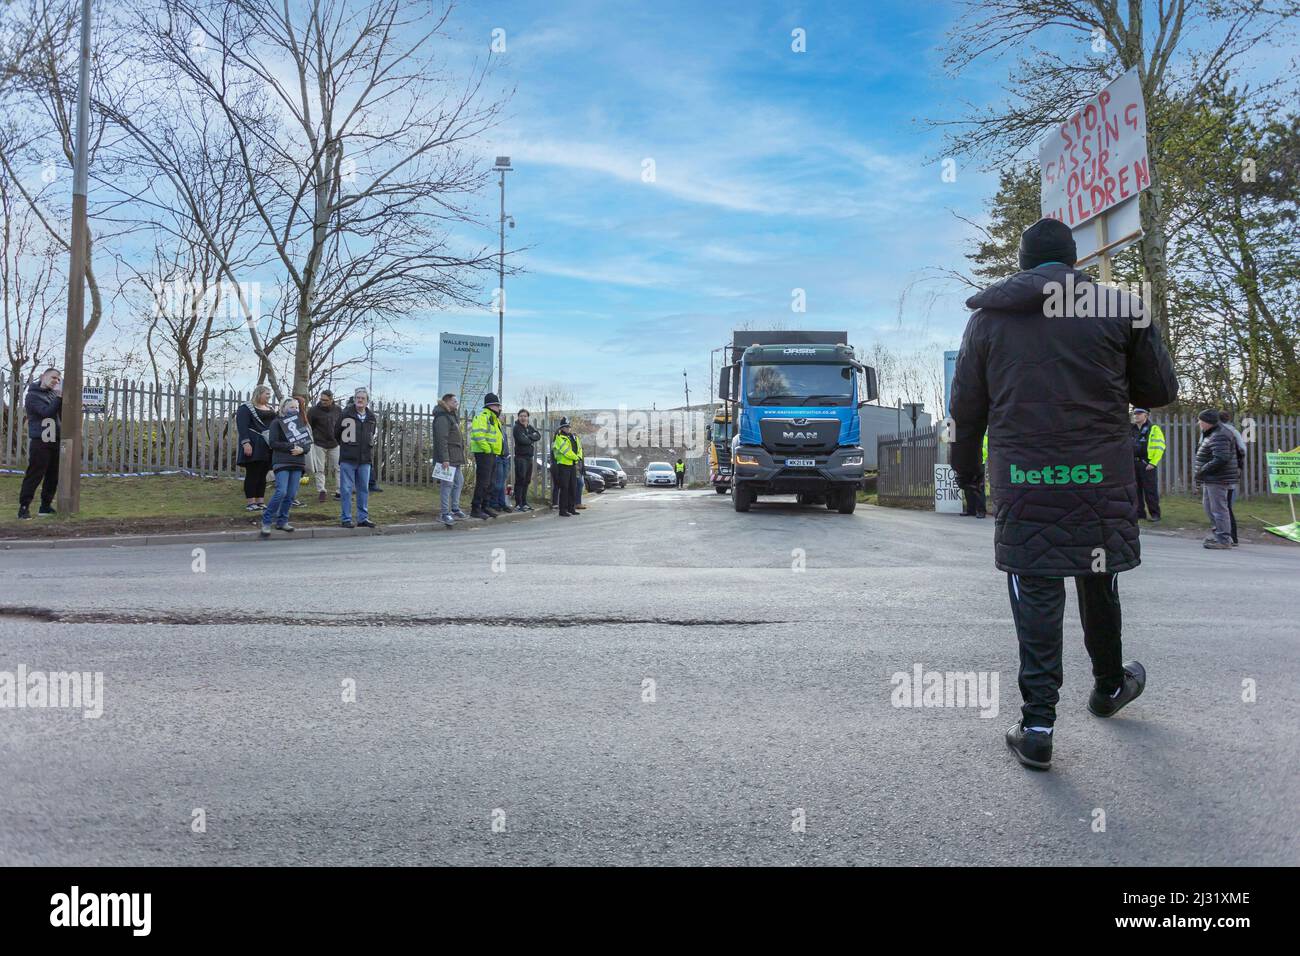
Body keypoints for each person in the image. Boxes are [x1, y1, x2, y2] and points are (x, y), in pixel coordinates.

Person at [950, 217, 1177, 771]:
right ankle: (1108, 686)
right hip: (1100, 476)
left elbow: (966, 410)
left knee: (1038, 587)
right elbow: (1158, 391)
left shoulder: (988, 321)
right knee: (1099, 578)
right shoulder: (1122, 308)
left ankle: (1038, 725)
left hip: (1026, 477)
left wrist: (967, 475)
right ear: (1074, 259)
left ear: (1023, 262)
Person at [260, 397, 312, 538]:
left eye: (296, 408)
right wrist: (292, 446)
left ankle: (282, 521)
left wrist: (302, 450)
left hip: (297, 463)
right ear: (283, 408)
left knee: (291, 494)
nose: (294, 410)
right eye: (291, 407)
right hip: (282, 462)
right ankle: (266, 520)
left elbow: (307, 444)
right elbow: (273, 442)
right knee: (281, 492)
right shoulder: (277, 423)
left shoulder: (301, 424)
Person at [17, 367, 62, 519]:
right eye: (53, 377)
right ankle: (24, 507)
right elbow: (46, 413)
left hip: (55, 440)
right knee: (35, 475)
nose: (56, 381)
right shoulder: (32, 396)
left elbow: (60, 415)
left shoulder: (54, 395)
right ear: (43, 376)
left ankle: (45, 506)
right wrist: (59, 398)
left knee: (53, 476)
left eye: (58, 379)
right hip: (40, 441)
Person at [1196, 408, 1239, 550]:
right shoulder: (1213, 433)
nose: (1199, 423)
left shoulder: (1220, 434)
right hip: (1211, 477)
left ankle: (1224, 539)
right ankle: (1219, 535)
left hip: (1218, 478)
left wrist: (1203, 469)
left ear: (1208, 422)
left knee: (1219, 509)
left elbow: (1221, 458)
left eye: (1201, 421)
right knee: (1209, 507)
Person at [336, 387, 378, 529]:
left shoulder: (371, 417)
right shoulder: (346, 414)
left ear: (367, 401)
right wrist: (347, 447)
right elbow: (337, 433)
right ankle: (346, 518)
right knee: (346, 489)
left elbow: (372, 435)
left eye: (362, 398)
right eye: (357, 398)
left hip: (365, 459)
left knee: (363, 489)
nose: (360, 400)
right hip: (348, 458)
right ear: (354, 399)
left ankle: (362, 518)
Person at [236, 385, 276, 513]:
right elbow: (242, 427)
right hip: (254, 444)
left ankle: (260, 501)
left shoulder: (270, 409)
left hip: (267, 445)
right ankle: (251, 502)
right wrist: (246, 443)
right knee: (253, 473)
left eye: (269, 394)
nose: (269, 396)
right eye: (266, 394)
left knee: (263, 474)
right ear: (259, 394)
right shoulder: (246, 408)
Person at [433, 393, 467, 528]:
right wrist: (444, 459)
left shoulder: (451, 416)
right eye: (454, 401)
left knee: (459, 481)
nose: (456, 404)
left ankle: (455, 508)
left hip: (456, 457)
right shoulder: (442, 417)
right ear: (446, 402)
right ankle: (444, 512)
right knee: (447, 485)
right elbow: (442, 439)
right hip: (448, 458)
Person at [468, 393, 504, 519]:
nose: (499, 408)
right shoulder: (482, 416)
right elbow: (478, 435)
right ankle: (475, 508)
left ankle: (485, 506)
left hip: (492, 453)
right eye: (497, 406)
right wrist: (488, 449)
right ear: (491, 406)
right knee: (483, 482)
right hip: (484, 453)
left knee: (491, 482)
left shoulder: (494, 418)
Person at [1218, 410, 1247, 546]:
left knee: (1222, 506)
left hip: (1222, 473)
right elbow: (1242, 450)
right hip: (1232, 472)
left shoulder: (1219, 432)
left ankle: (1227, 536)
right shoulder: (1234, 431)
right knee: (1227, 504)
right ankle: (1231, 536)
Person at [1131, 408, 1165, 523]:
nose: (1136, 416)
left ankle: (1155, 514)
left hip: (1147, 464)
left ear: (1146, 415)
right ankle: (1140, 514)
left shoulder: (1153, 429)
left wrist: (1153, 463)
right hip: (1133, 463)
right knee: (1136, 490)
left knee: (1150, 490)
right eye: (1135, 413)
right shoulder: (1131, 429)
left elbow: (1160, 447)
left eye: (1139, 414)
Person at [308, 390, 342, 503]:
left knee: (339, 467)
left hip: (335, 443)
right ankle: (321, 490)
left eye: (326, 400)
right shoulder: (313, 411)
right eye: (321, 399)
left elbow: (341, 425)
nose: (323, 402)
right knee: (319, 468)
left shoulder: (338, 410)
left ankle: (340, 491)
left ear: (331, 399)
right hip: (319, 443)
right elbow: (309, 426)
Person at [552, 417, 583, 517]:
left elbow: (579, 448)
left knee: (572, 487)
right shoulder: (559, 438)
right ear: (561, 428)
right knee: (564, 488)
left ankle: (571, 508)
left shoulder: (574, 437)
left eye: (568, 427)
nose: (567, 429)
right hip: (563, 465)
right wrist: (576, 457)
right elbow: (566, 451)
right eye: (565, 427)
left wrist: (579, 457)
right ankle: (563, 510)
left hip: (572, 465)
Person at [512, 409, 541, 511]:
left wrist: (528, 436)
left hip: (529, 457)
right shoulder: (517, 428)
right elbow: (522, 440)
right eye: (521, 416)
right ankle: (518, 503)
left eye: (525, 416)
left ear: (528, 417)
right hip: (520, 458)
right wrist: (530, 438)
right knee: (520, 480)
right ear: (518, 417)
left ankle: (524, 502)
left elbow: (538, 435)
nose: (523, 418)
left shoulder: (529, 427)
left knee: (527, 481)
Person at [959, 433, 988, 518]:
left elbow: (985, 451)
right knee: (968, 487)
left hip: (978, 464)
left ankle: (981, 511)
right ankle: (970, 510)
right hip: (967, 464)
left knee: (979, 488)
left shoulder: (984, 437)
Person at [490, 420, 513, 513]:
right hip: (498, 457)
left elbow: (505, 444)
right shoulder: (493, 429)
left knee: (503, 483)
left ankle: (502, 503)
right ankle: (494, 503)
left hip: (505, 457)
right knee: (498, 483)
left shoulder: (503, 430)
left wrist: (507, 455)